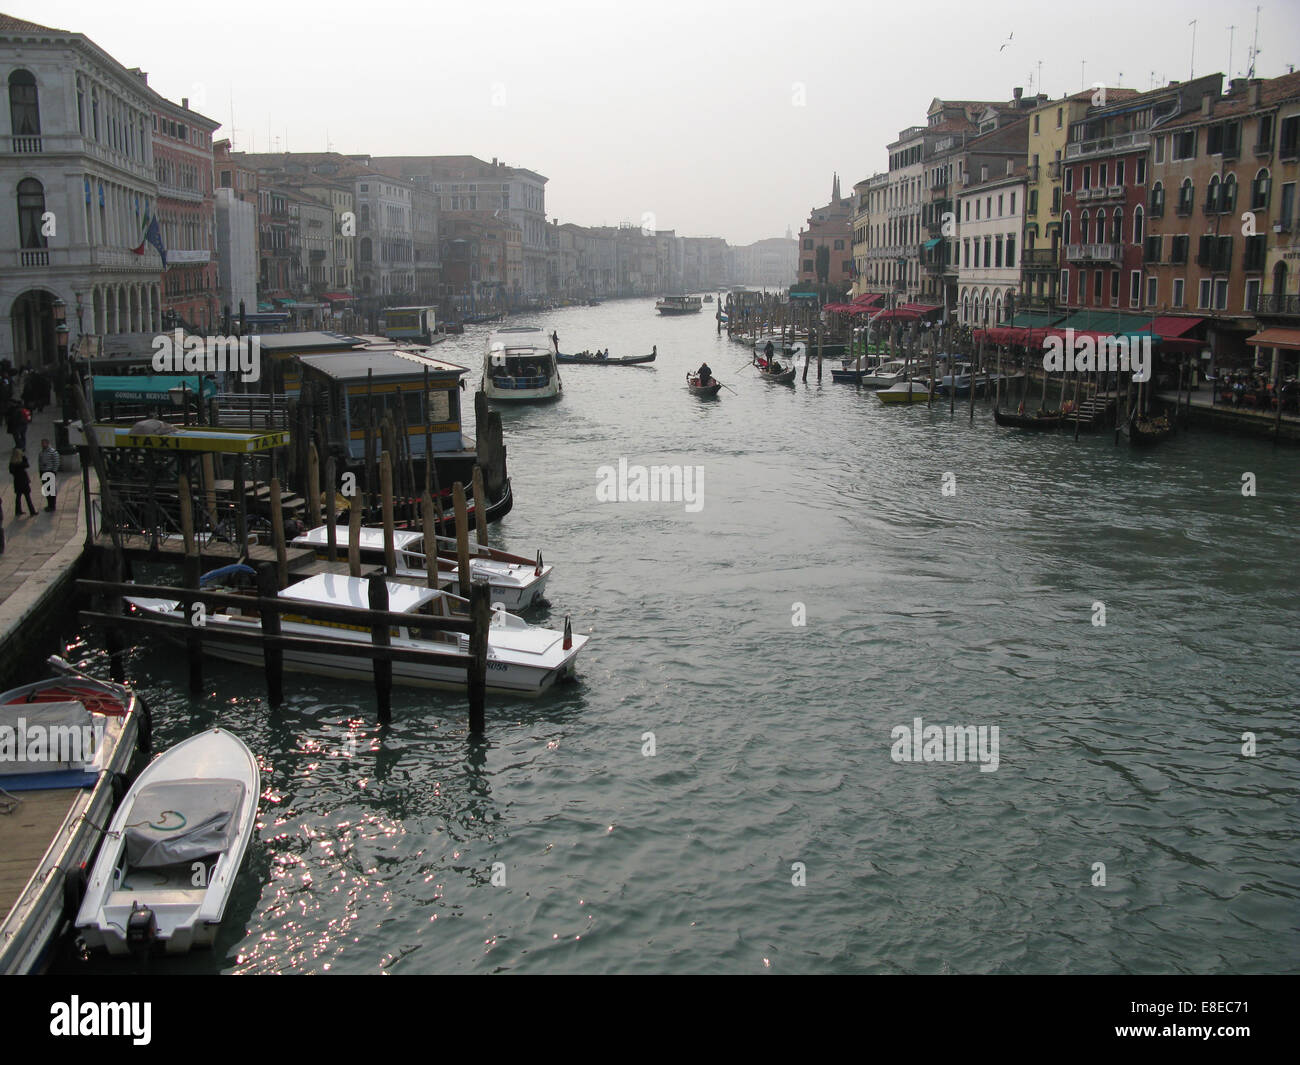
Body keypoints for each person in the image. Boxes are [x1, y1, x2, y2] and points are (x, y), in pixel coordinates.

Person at [9, 447, 35, 517]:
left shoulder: (12, 463)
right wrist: (24, 457)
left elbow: (11, 471)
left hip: (17, 482)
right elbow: (27, 465)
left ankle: (18, 511)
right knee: (28, 498)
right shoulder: (22, 463)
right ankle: (32, 511)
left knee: (18, 497)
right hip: (24, 482)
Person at [37, 438, 59, 512]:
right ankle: (49, 504)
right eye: (42, 443)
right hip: (44, 472)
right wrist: (40, 472)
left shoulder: (53, 452)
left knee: (51, 490)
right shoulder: (41, 453)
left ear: (47, 443)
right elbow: (39, 463)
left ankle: (52, 505)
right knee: (46, 490)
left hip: (50, 472)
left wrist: (54, 472)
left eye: (44, 443)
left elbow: (56, 462)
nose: (42, 445)